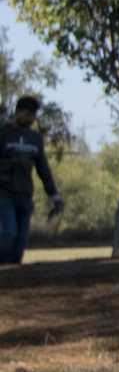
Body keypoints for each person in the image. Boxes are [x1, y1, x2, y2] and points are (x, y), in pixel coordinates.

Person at [2, 95, 64, 265]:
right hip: (4, 194)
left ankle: (13, 276)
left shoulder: (35, 138)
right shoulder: (4, 133)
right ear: (19, 112)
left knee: (21, 240)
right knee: (9, 233)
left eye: (34, 115)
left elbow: (43, 168)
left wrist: (54, 195)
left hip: (25, 194)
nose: (32, 119)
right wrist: (10, 163)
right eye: (29, 114)